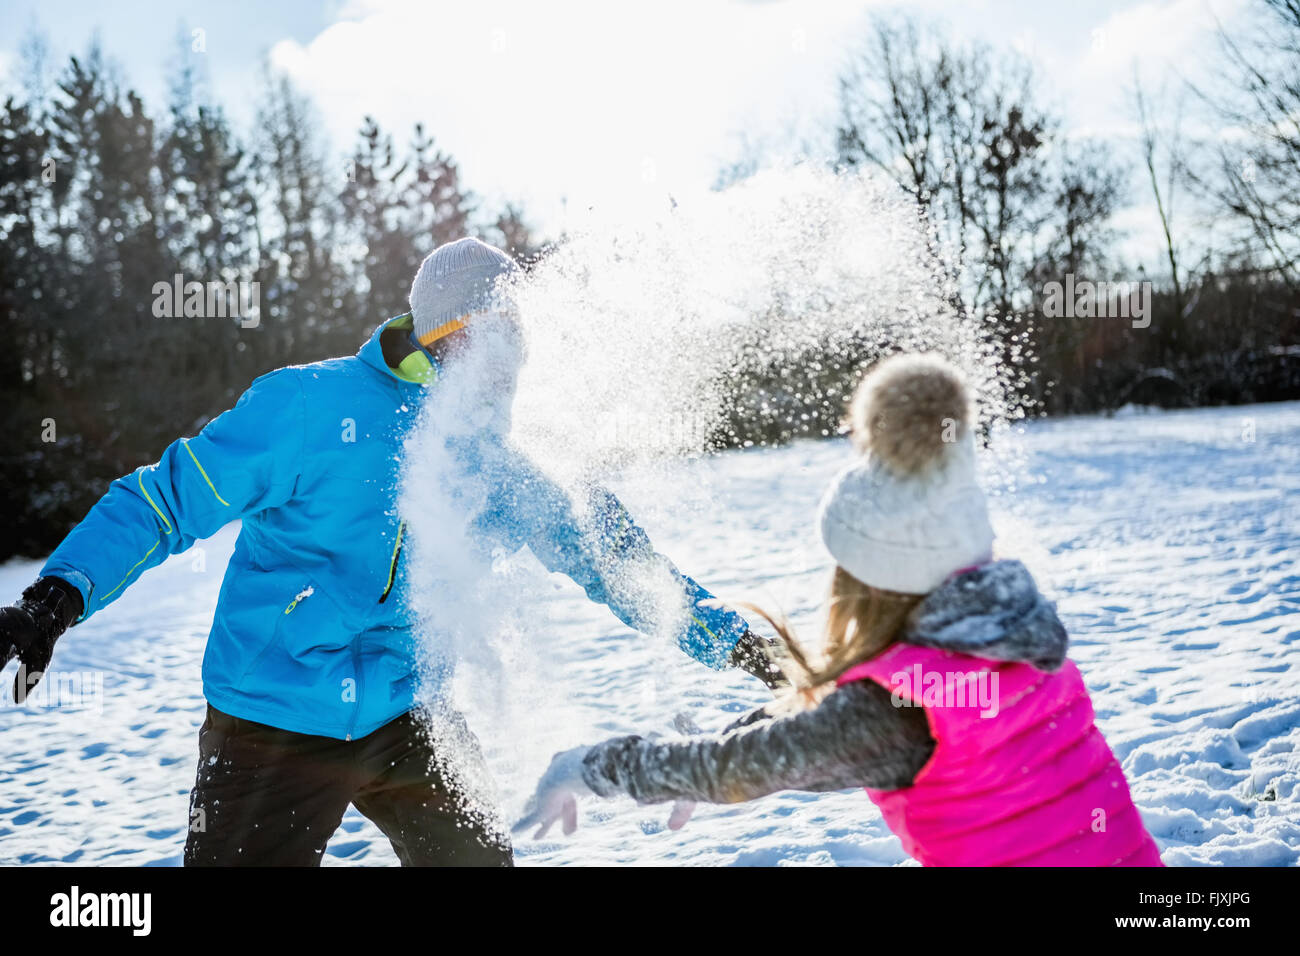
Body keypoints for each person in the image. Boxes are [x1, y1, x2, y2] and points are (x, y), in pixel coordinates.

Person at [0, 237, 783, 867]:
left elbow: (614, 560)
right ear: (442, 337)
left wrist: (735, 640)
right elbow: (164, 501)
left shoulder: (498, 463)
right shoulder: (308, 406)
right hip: (273, 717)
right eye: (487, 343)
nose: (505, 368)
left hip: (411, 711)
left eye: (517, 344)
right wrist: (57, 597)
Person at [516, 353, 1164, 867]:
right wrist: (714, 745)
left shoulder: (894, 713)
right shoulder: (1022, 639)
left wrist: (590, 767)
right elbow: (808, 732)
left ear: (868, 579)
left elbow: (740, 768)